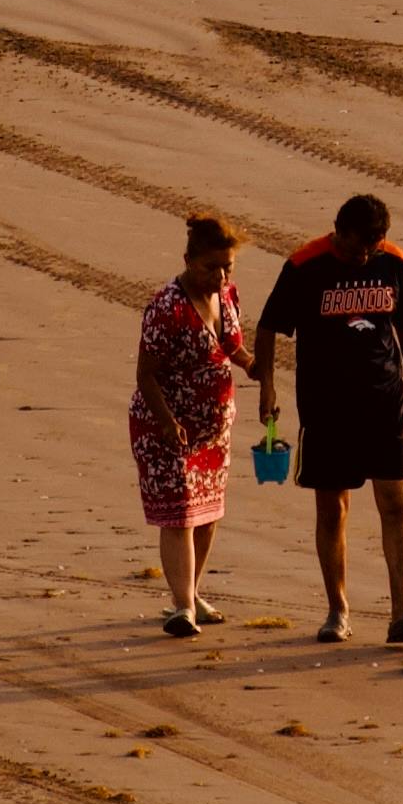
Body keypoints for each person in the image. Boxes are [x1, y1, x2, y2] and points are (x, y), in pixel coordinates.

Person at [254, 190, 403, 649]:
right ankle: (337, 611)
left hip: (385, 400)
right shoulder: (304, 264)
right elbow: (269, 326)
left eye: (373, 246)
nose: (364, 255)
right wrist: (269, 387)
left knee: (395, 504)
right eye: (359, 246)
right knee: (332, 507)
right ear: (339, 231)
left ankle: (402, 614)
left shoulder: (392, 260)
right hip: (326, 406)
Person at [129, 212, 250, 634]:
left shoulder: (228, 295)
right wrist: (166, 422)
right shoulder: (166, 307)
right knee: (178, 515)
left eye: (226, 267)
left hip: (213, 430)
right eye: (209, 267)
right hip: (165, 426)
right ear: (187, 260)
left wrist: (256, 367)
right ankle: (182, 606)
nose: (218, 276)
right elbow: (145, 374)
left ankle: (192, 591)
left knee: (207, 513)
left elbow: (234, 346)